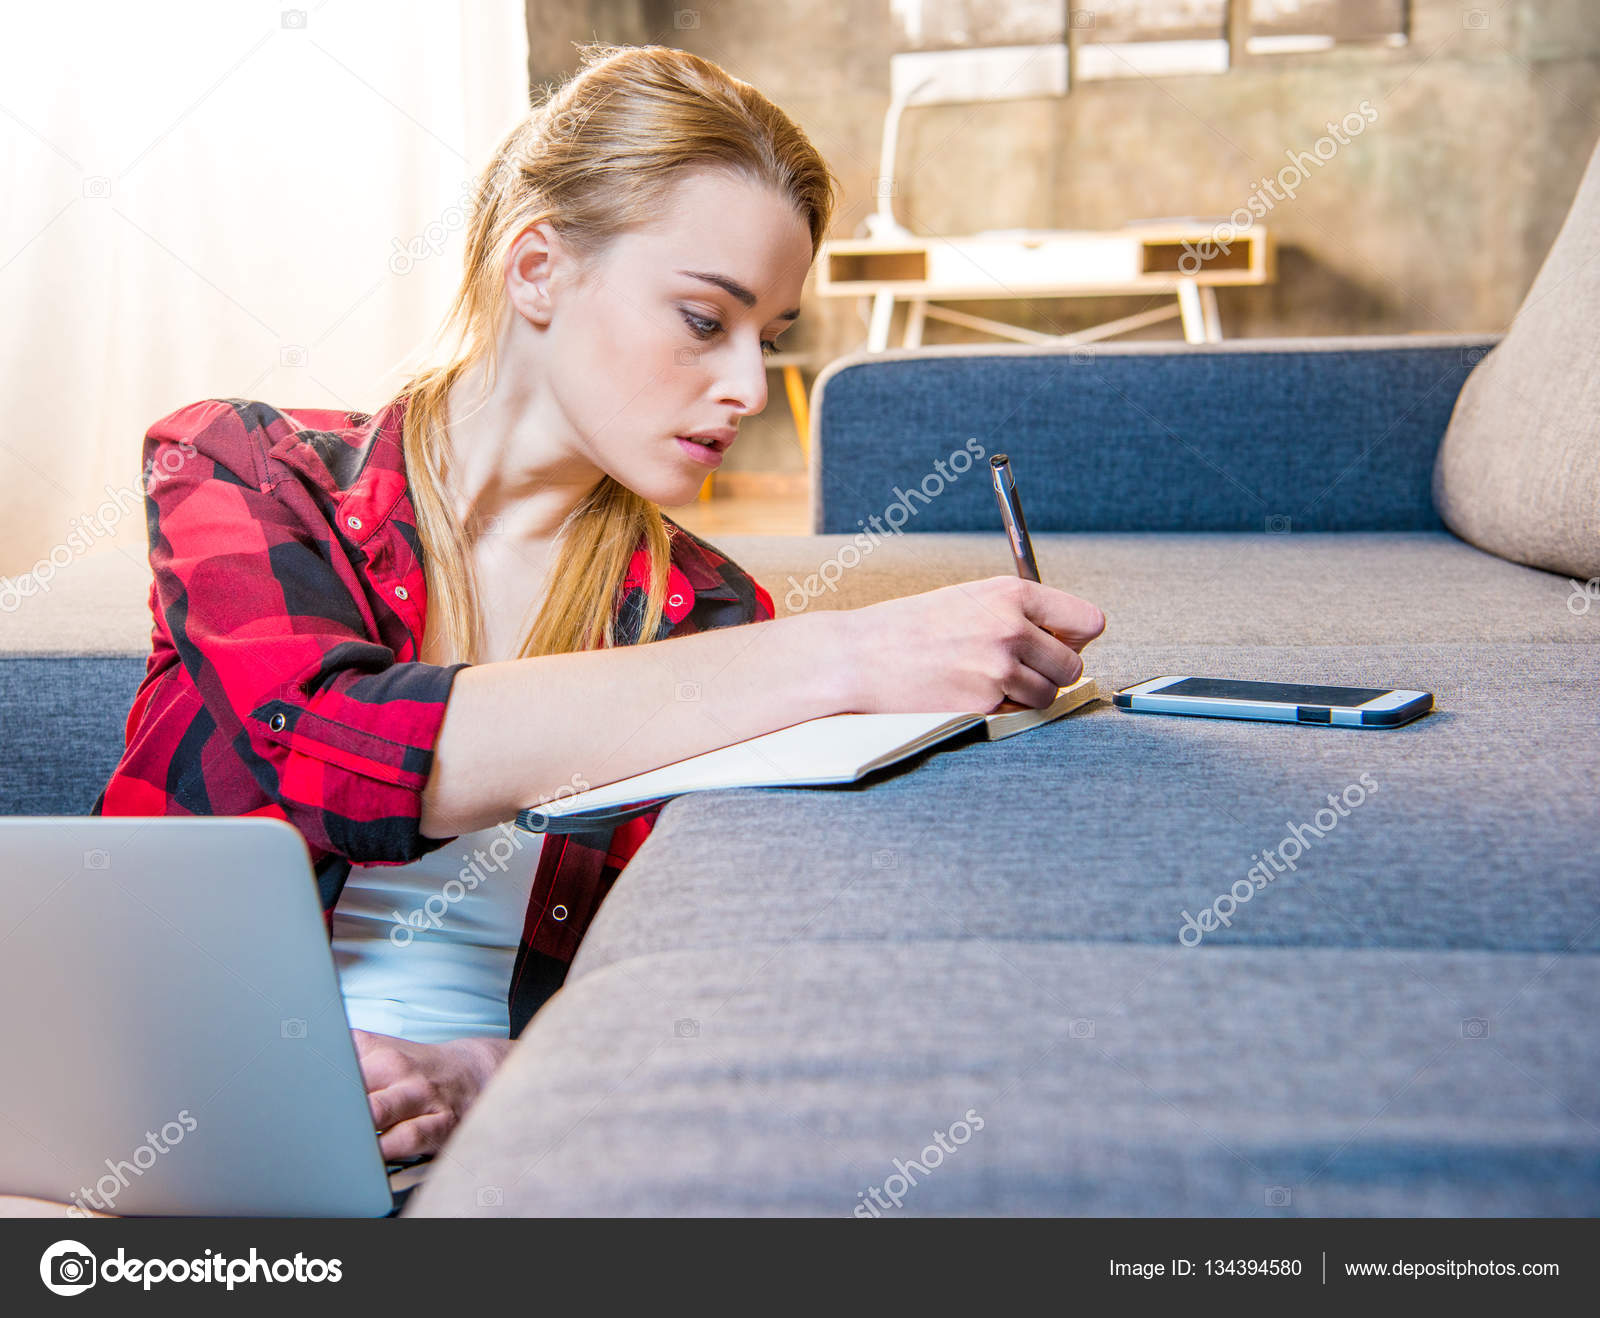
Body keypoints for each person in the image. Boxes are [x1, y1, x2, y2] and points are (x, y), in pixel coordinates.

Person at [93, 43, 1106, 1164]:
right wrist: (845, 656)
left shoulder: (712, 612)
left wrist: (485, 1073)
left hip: (499, 1157)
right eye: (701, 319)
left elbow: (728, 982)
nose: (748, 390)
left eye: (767, 337)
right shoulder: (241, 465)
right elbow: (336, 754)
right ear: (537, 269)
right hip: (159, 1109)